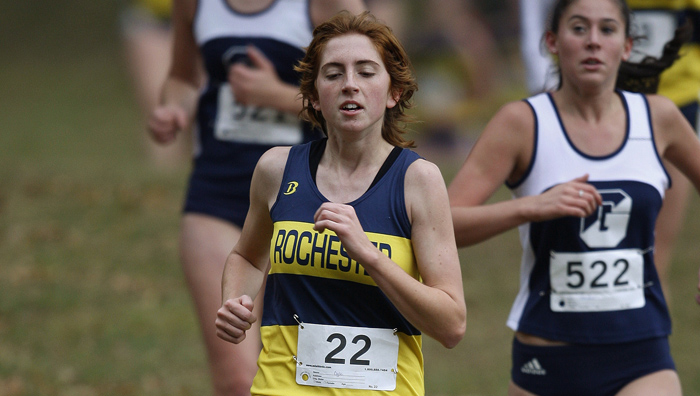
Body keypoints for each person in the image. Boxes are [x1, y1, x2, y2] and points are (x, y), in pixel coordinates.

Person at [448, 0, 700, 394]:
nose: (593, 42)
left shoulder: (658, 118)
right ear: (552, 41)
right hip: (547, 359)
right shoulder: (522, 123)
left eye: (607, 30)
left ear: (627, 46)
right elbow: (443, 224)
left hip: (642, 356)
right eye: (579, 28)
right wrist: (530, 207)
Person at [214, 11, 466, 395]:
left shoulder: (418, 181)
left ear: (393, 91)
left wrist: (370, 255)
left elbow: (451, 326)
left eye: (366, 72)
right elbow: (248, 257)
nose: (350, 85)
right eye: (333, 74)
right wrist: (235, 300)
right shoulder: (277, 170)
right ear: (314, 95)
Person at [146, 0, 366, 394]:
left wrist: (276, 95)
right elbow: (182, 77)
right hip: (216, 196)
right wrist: (173, 109)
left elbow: (370, 97)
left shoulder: (326, 5)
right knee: (236, 378)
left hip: (307, 206)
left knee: (308, 375)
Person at [519, 0, 700, 294]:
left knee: (651, 263)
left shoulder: (669, 116)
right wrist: (536, 60)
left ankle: (644, 335)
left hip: (677, 90)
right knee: (571, 254)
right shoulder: (519, 121)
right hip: (582, 94)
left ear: (628, 44)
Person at [121, 0, 193, 169]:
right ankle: (166, 177)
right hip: (154, 18)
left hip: (212, 18)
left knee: (201, 105)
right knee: (161, 106)